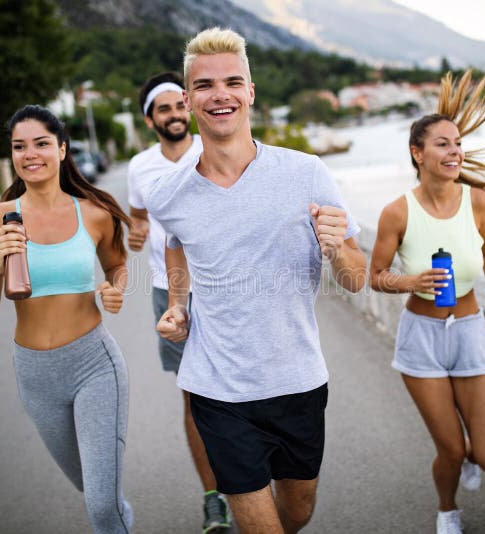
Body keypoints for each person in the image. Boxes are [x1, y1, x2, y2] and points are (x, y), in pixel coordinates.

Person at [145, 28, 367, 534]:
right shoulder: (168, 194)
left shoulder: (306, 173)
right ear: (188, 99)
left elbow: (356, 279)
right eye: (204, 85)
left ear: (250, 91)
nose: (219, 95)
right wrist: (178, 302)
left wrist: (337, 248)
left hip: (297, 381)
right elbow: (174, 243)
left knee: (298, 512)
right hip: (217, 388)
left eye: (231, 82)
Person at [0, 105, 133, 533]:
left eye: (41, 144)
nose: (30, 154)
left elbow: (117, 266)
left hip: (94, 365)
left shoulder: (94, 212)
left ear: (62, 149)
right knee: (91, 488)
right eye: (19, 146)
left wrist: (115, 289)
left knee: (101, 504)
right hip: (35, 375)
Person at [369, 71, 485, 534]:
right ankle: (447, 509)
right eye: (443, 145)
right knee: (450, 448)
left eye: (458, 144)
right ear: (418, 153)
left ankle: (469, 459)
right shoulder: (397, 212)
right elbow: (375, 276)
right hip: (422, 340)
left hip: (469, 331)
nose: (455, 152)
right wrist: (412, 280)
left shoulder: (478, 202)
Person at [126, 72, 231, 533]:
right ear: (151, 120)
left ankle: (250, 477)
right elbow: (137, 218)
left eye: (178, 105)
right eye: (162, 108)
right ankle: (214, 498)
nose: (173, 114)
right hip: (168, 292)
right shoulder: (140, 167)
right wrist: (134, 234)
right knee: (196, 398)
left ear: (189, 107)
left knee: (242, 388)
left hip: (225, 287)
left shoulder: (215, 149)